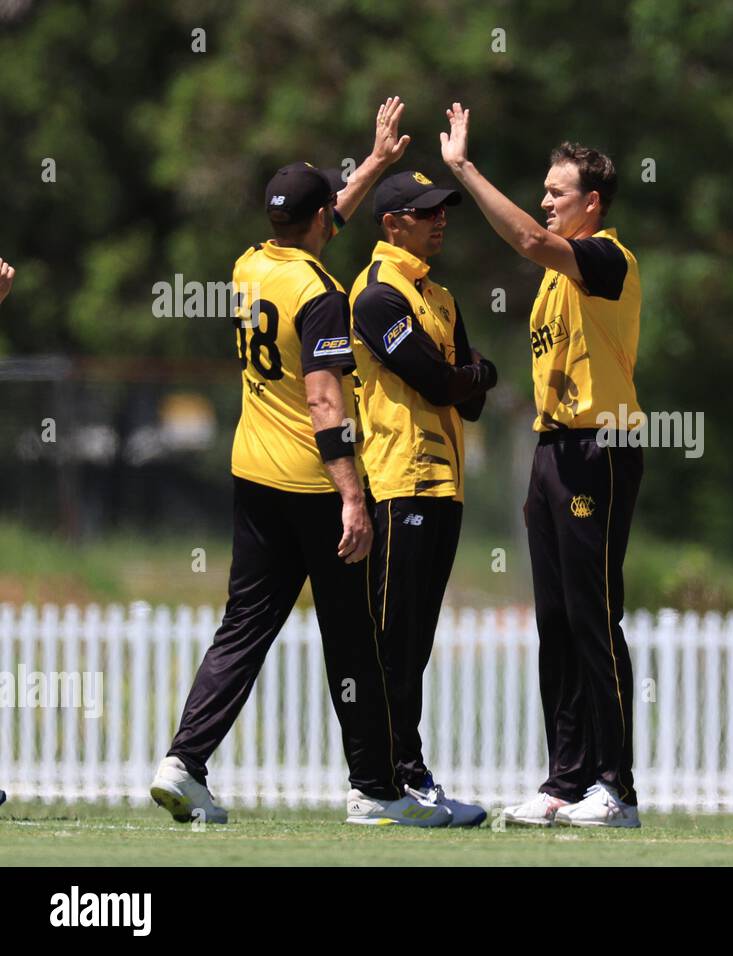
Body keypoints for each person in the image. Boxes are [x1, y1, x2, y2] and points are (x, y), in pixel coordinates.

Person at [151, 99, 449, 827]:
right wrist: (352, 496)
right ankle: (376, 791)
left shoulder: (251, 265)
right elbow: (324, 404)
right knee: (354, 640)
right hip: (313, 484)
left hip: (252, 476)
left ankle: (184, 763)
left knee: (244, 626)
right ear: (319, 223)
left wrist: (374, 162)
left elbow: (322, 221)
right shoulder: (320, 294)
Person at [440, 103, 643, 827]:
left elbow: (526, 237)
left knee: (594, 616)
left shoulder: (606, 257)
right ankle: (566, 780)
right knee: (554, 621)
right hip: (555, 447)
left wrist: (462, 167)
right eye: (546, 190)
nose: (545, 201)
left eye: (558, 192)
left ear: (592, 202)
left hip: (602, 447)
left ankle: (616, 790)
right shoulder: (558, 279)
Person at [347, 169, 500, 827]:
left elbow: (471, 403)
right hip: (396, 479)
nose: (440, 220)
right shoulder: (378, 295)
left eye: (443, 210)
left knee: (414, 644)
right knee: (391, 643)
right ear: (392, 223)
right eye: (426, 211)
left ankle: (406, 778)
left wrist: (468, 378)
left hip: (444, 484)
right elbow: (445, 383)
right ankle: (378, 786)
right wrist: (473, 374)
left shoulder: (438, 295)